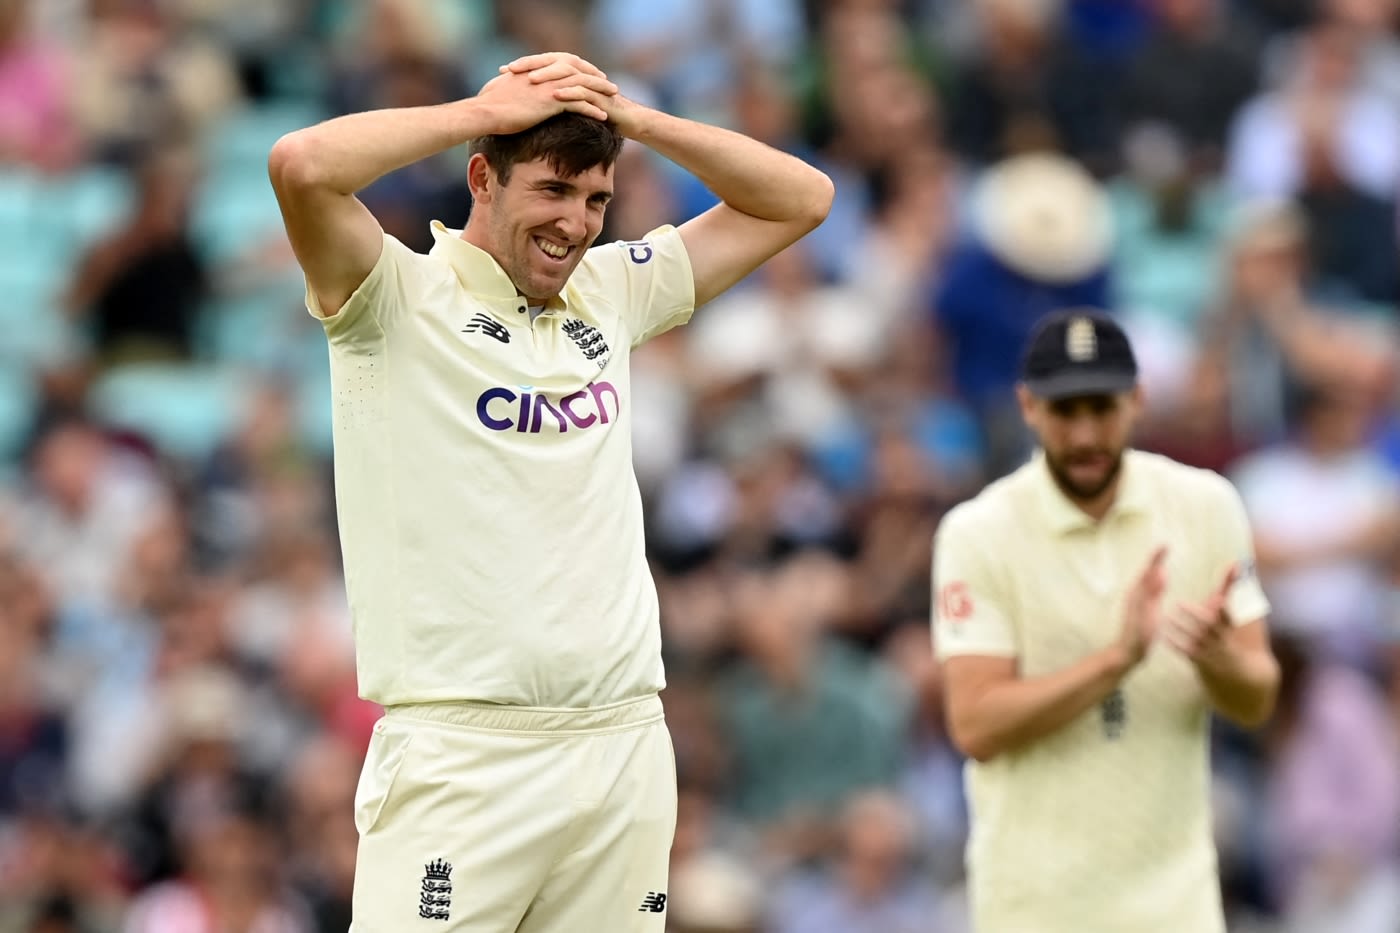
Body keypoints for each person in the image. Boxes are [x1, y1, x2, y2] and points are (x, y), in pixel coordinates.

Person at [267, 50, 833, 932]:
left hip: (622, 743)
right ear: (482, 178)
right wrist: (481, 109)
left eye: (596, 199)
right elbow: (301, 165)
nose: (575, 224)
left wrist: (630, 120)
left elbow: (802, 198)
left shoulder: (612, 290)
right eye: (551, 191)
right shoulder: (392, 295)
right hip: (463, 753)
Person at [931, 308, 1281, 932]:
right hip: (1033, 909)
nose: (1087, 434)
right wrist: (1114, 662)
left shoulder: (1206, 507)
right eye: (1066, 411)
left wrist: (1219, 658)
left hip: (1177, 906)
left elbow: (1256, 698)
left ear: (1138, 400)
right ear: (1028, 407)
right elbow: (975, 724)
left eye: (1103, 408)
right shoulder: (978, 533)